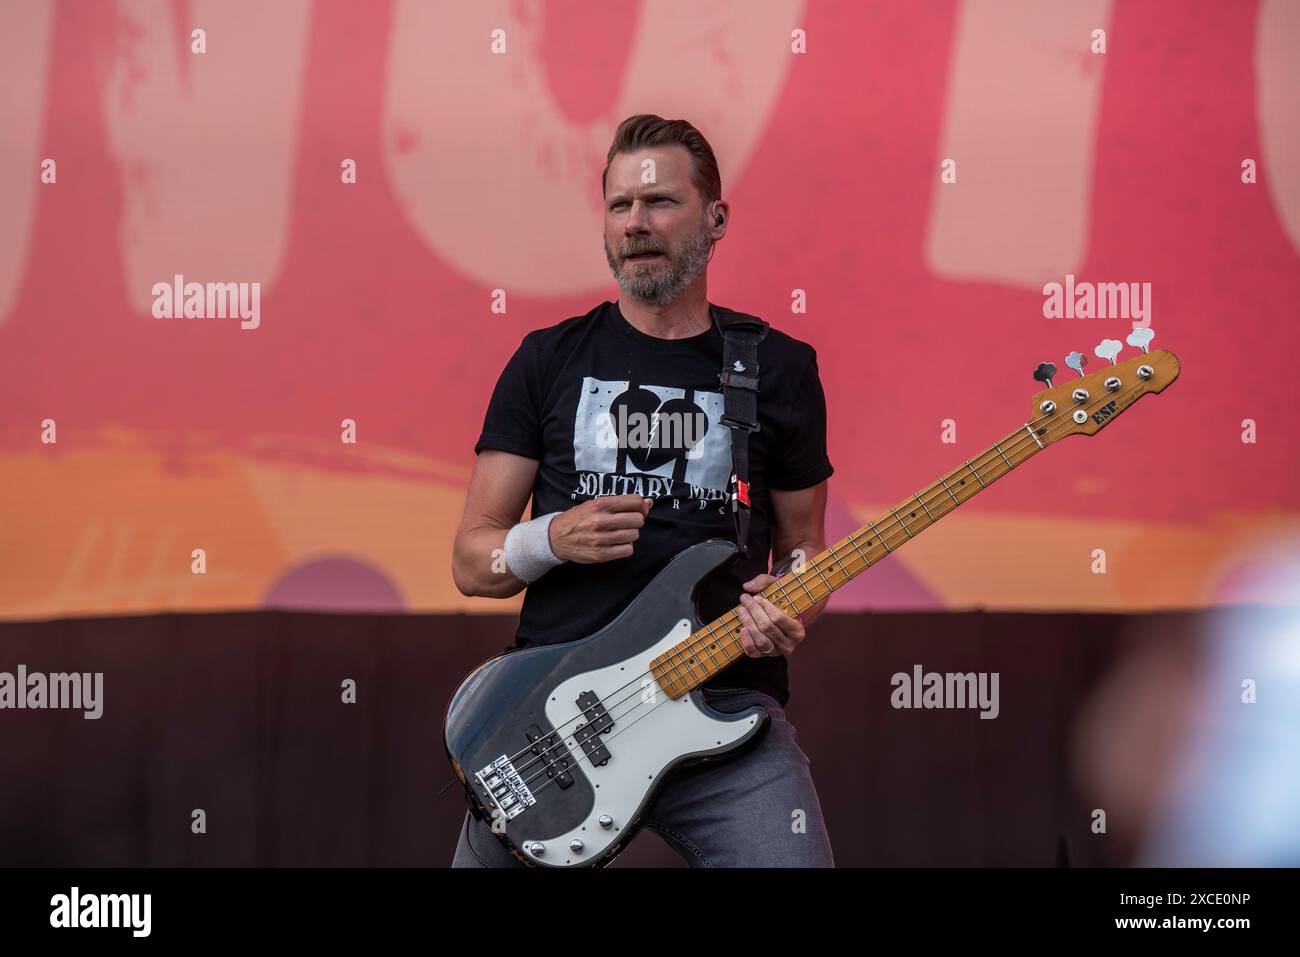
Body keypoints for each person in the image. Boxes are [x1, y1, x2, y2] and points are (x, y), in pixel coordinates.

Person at [449, 114, 835, 867]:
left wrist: (790, 608)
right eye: (620, 205)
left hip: (723, 702)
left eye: (659, 203)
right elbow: (471, 560)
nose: (636, 224)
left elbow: (807, 550)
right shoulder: (547, 361)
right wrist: (548, 538)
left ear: (716, 218)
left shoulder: (780, 368)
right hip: (552, 718)